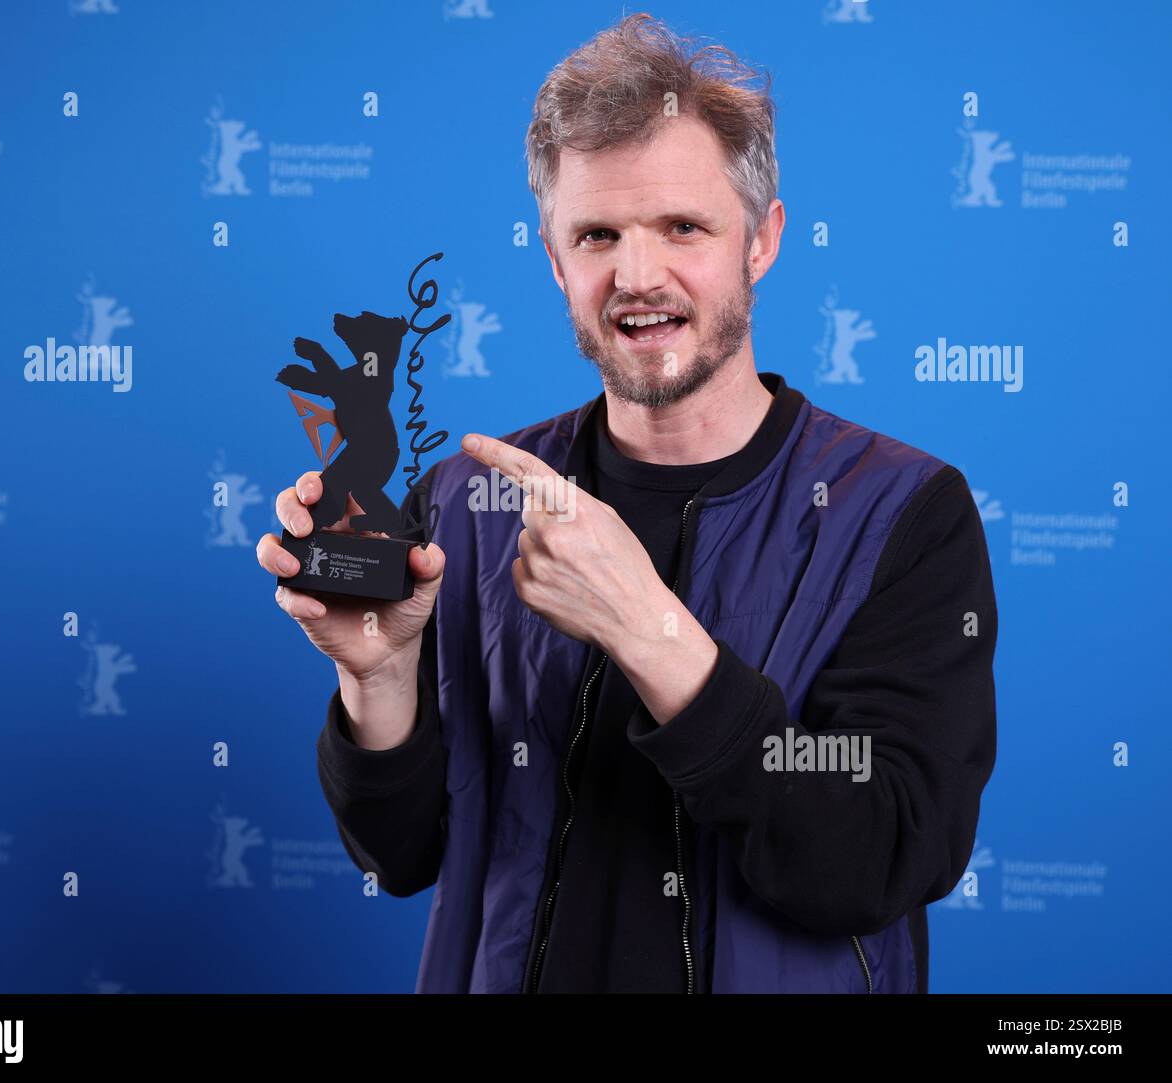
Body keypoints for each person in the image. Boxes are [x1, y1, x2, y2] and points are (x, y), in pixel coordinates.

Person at [256, 12, 996, 994]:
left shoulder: (900, 512)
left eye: (682, 227)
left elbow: (882, 851)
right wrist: (378, 683)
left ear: (761, 240)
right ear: (555, 259)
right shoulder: (468, 502)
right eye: (596, 234)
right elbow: (402, 855)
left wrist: (650, 632)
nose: (636, 276)